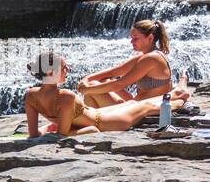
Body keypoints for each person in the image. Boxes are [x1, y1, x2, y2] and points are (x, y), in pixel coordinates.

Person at [25, 49, 191, 137]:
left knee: (133, 103)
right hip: (108, 122)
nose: (68, 70)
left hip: (98, 113)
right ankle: (182, 96)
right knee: (146, 106)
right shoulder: (65, 96)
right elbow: (89, 131)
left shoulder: (30, 95)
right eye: (64, 68)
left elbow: (34, 134)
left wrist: (50, 128)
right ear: (50, 72)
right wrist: (58, 130)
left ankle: (179, 89)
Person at [77, 19, 175, 108]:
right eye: (131, 37)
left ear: (150, 38)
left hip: (143, 112)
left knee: (93, 89)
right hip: (137, 105)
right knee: (103, 81)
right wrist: (86, 79)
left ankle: (96, 120)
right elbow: (115, 72)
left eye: (135, 38)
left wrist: (87, 89)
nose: (131, 41)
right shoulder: (146, 56)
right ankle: (97, 120)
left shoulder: (152, 58)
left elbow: (120, 84)